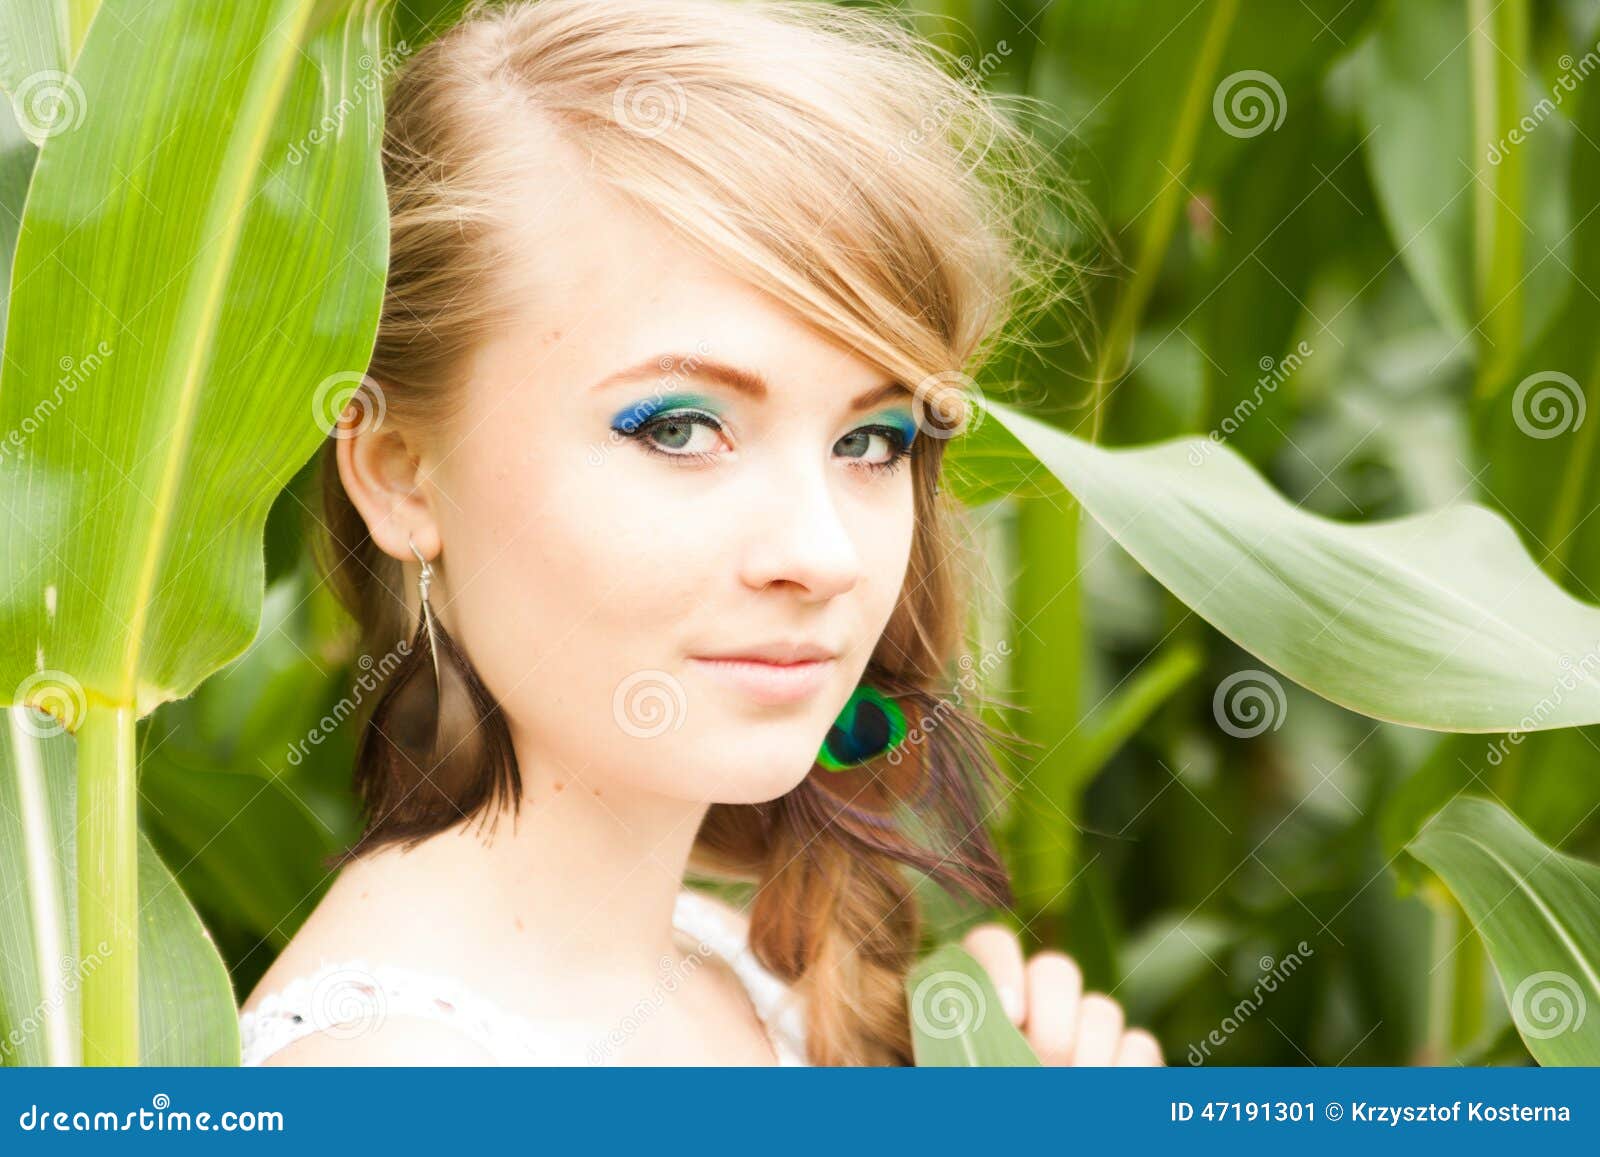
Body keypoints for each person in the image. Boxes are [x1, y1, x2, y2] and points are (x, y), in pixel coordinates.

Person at [238, 0, 1162, 1067]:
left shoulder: (741, 973)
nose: (820, 554)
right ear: (397, 473)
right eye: (678, 428)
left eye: (871, 439)